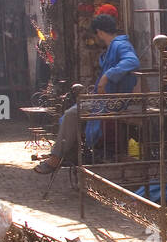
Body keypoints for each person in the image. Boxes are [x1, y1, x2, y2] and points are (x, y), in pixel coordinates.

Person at [35, 13, 140, 173]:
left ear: (99, 32)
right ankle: (65, 154)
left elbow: (132, 61)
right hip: (104, 100)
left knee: (71, 114)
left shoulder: (120, 45)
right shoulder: (113, 47)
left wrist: (107, 75)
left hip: (113, 101)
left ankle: (57, 157)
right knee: (71, 113)